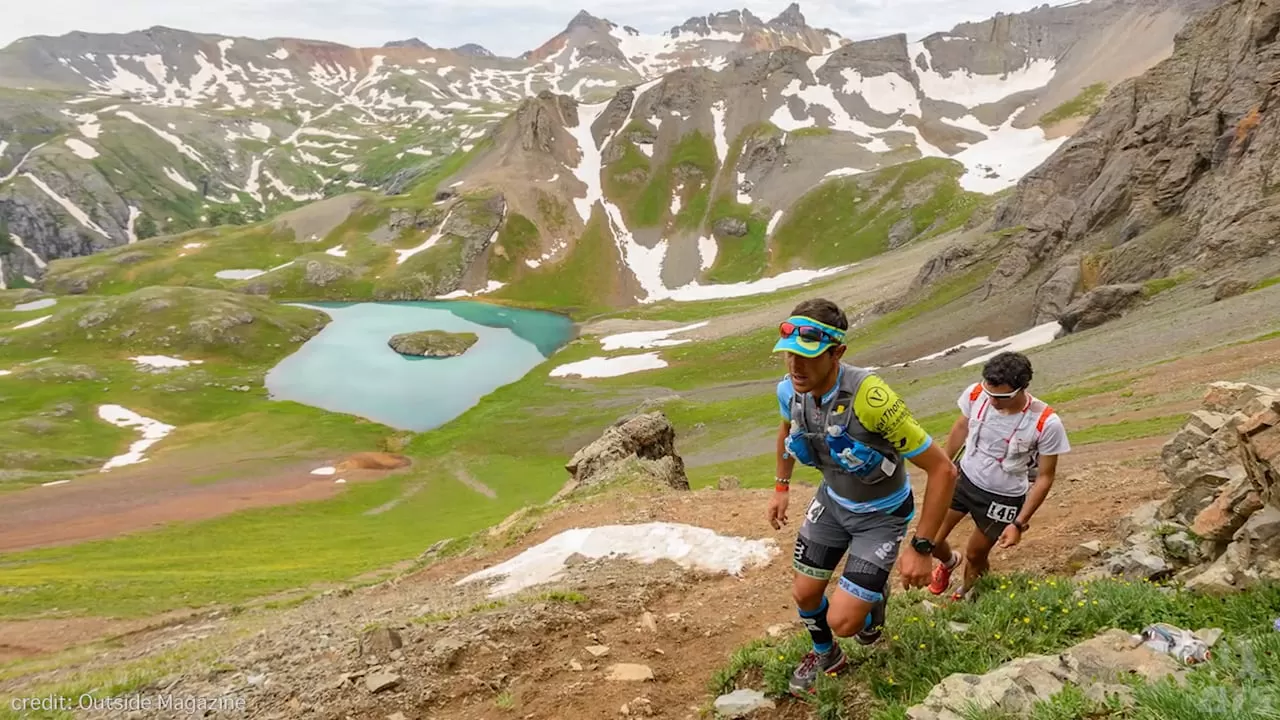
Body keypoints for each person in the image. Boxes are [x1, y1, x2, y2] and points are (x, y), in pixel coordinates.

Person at [766, 298, 958, 696]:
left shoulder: (872, 399)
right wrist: (781, 487)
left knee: (846, 622)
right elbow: (786, 431)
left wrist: (921, 547)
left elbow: (943, 469)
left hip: (882, 516)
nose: (795, 366)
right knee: (803, 593)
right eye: (788, 355)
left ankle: (872, 599)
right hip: (833, 503)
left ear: (838, 352)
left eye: (808, 356)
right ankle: (827, 656)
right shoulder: (789, 390)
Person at [926, 351, 1071, 601]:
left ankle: (969, 594)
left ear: (1021, 387)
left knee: (976, 554)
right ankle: (949, 562)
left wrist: (1019, 523)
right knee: (930, 539)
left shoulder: (1047, 422)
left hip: (1002, 497)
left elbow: (1045, 477)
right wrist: (944, 465)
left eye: (1001, 396)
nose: (993, 401)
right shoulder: (976, 394)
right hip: (964, 478)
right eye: (989, 393)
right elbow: (961, 426)